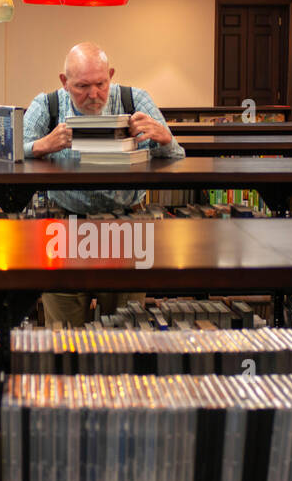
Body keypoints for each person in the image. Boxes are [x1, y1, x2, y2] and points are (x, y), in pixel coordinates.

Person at [23, 42, 185, 327]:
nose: (94, 95)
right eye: (82, 86)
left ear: (111, 75)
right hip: (63, 227)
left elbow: (176, 155)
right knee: (64, 335)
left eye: (101, 83)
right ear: (64, 82)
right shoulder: (46, 105)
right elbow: (6, 154)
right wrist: (41, 145)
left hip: (127, 225)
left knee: (124, 332)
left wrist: (166, 140)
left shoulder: (136, 100)